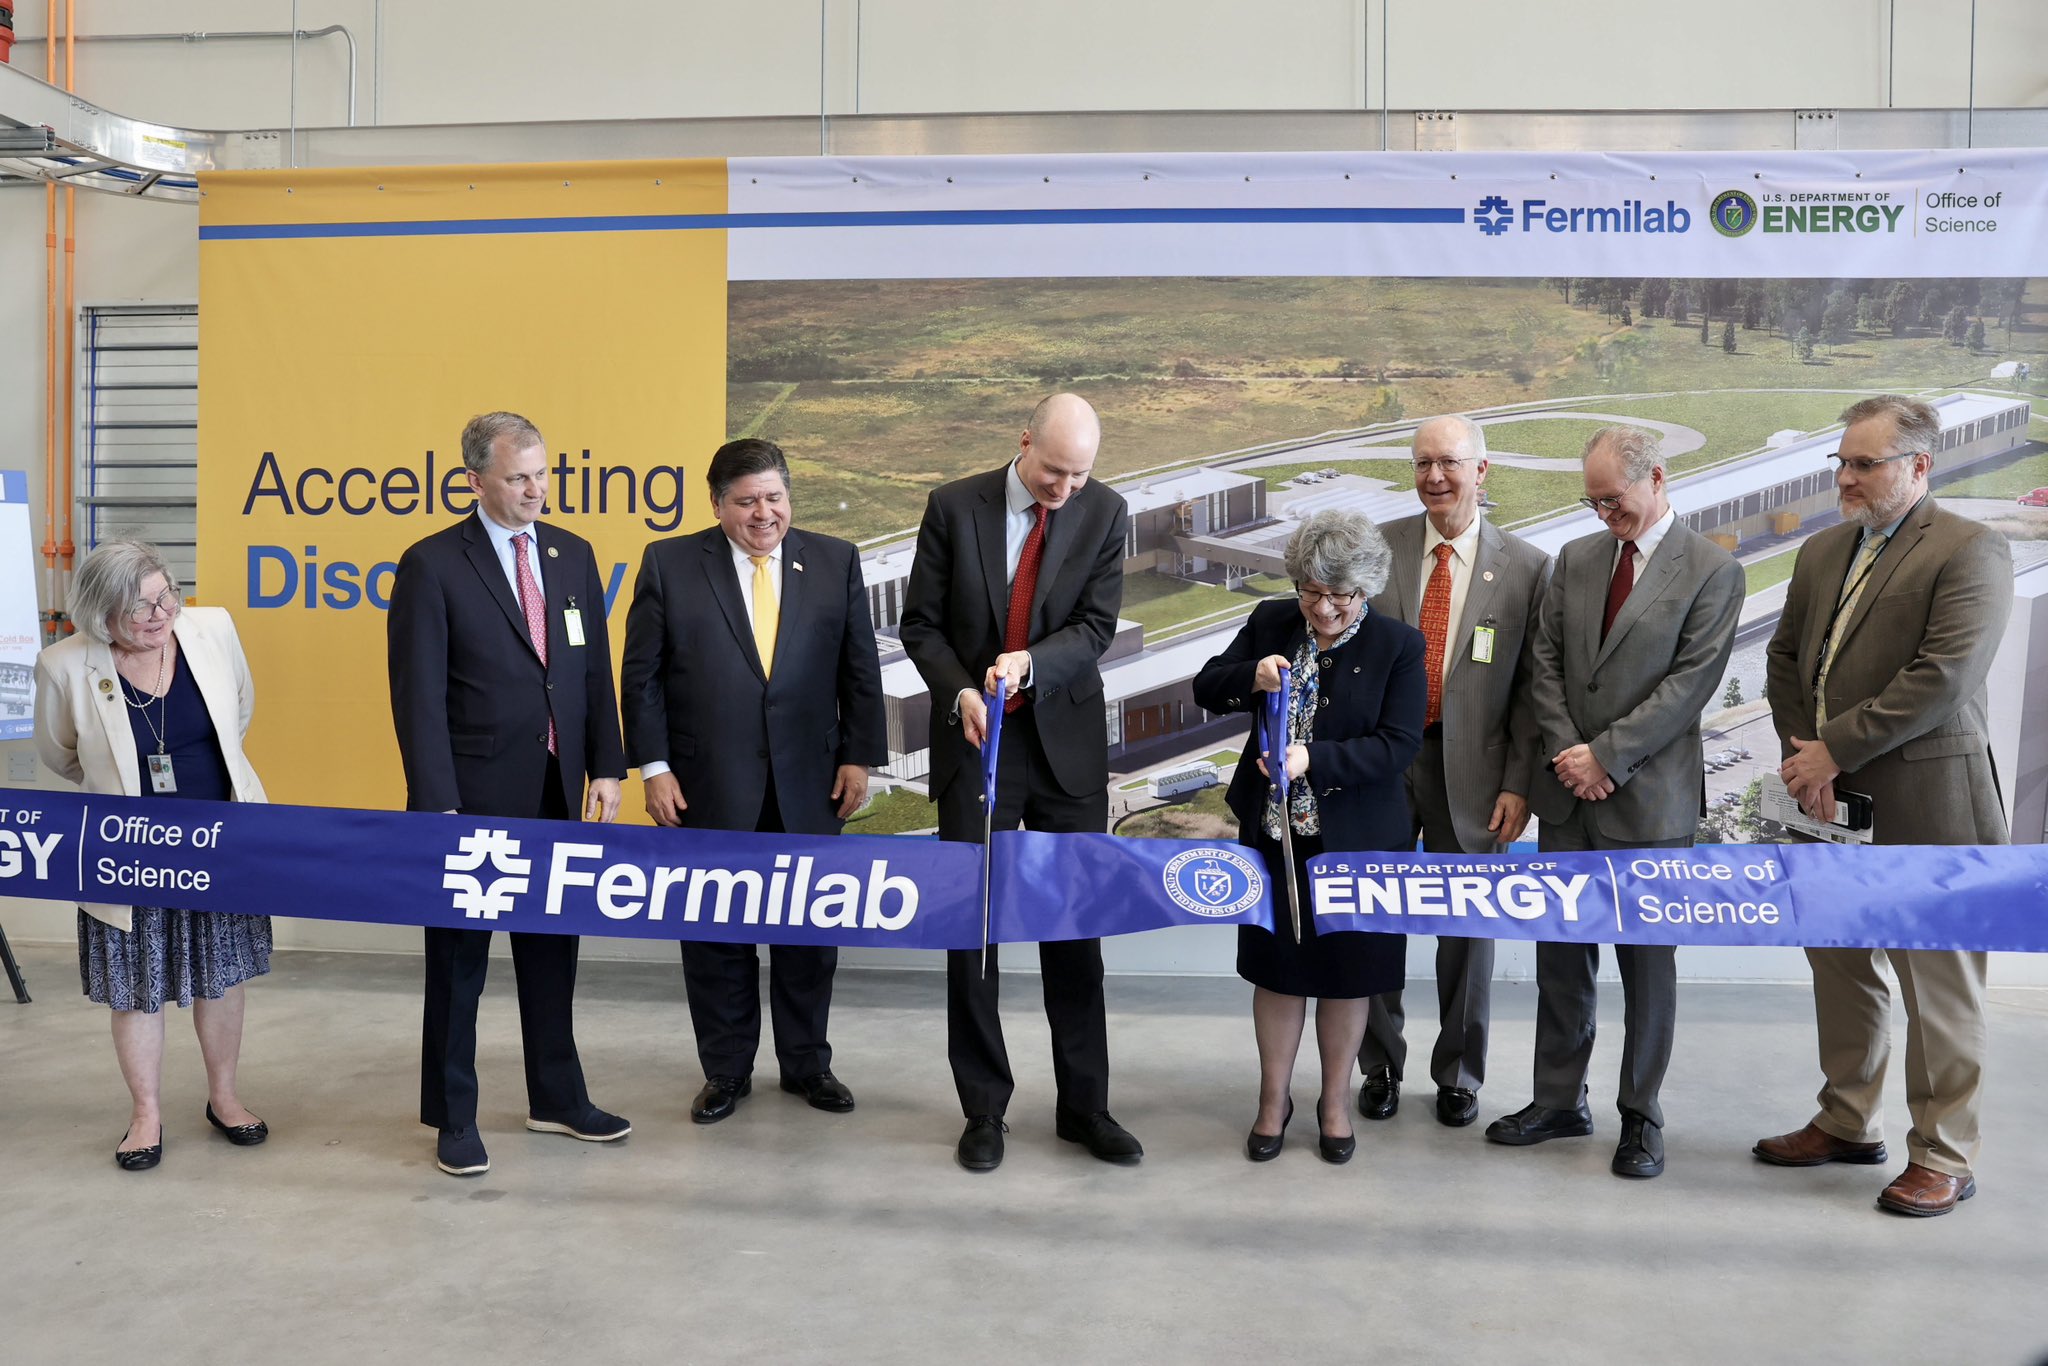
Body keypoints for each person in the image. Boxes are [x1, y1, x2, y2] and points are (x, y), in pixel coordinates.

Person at [1755, 395, 2012, 1217]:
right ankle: (1845, 1118)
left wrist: (1837, 749)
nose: (1847, 477)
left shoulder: (1972, 549)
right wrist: (1806, 757)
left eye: (1865, 464)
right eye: (1842, 461)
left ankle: (1944, 1153)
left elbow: (1943, 677)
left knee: (1938, 991)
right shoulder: (1826, 548)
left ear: (1919, 467)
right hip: (1824, 804)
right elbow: (1786, 654)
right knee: (1839, 965)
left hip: (1929, 808)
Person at [898, 392, 1138, 1172]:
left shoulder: (1106, 512)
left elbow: (1096, 628)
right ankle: (984, 1110)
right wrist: (962, 691)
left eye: (1079, 475)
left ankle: (1085, 1107)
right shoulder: (951, 505)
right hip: (978, 745)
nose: (1063, 489)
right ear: (1023, 441)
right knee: (976, 935)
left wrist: (1031, 664)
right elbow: (921, 626)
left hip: (1065, 752)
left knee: (1076, 932)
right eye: (1052, 471)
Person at [387, 410, 630, 1178]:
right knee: (460, 965)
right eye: (518, 477)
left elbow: (592, 673)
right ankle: (454, 1115)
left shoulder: (571, 554)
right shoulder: (433, 564)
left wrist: (607, 768)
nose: (536, 489)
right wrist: (437, 804)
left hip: (561, 789)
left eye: (542, 474)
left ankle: (556, 1097)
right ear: (475, 481)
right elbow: (417, 695)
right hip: (474, 799)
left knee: (553, 952)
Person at [1496, 425, 1742, 1179]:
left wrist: (1605, 756)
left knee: (1647, 972)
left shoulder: (1711, 571)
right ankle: (1559, 1099)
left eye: (1616, 500)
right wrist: (1574, 761)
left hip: (1650, 806)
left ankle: (1641, 1117)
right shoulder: (1574, 561)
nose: (1605, 515)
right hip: (1570, 801)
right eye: (1593, 501)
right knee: (1560, 962)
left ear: (1658, 479)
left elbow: (1687, 688)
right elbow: (1542, 665)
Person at [620, 438, 887, 1124]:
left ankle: (808, 1066)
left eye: (773, 497)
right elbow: (641, 677)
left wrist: (860, 756)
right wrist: (655, 767)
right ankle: (726, 1073)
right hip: (707, 786)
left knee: (808, 936)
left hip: (811, 785)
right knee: (715, 937)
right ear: (717, 506)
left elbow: (859, 670)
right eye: (745, 501)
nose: (762, 513)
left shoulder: (834, 560)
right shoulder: (670, 564)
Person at [33, 539, 273, 1171]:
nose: (161, 612)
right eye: (138, 606)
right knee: (135, 989)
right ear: (99, 611)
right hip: (125, 855)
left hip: (218, 844)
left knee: (221, 976)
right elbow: (61, 754)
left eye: (167, 593)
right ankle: (146, 1114)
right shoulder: (64, 664)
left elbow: (237, 712)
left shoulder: (212, 628)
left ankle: (224, 1098)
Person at [1194, 511, 1426, 1164]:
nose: (1323, 608)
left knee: (1348, 977)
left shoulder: (1398, 647)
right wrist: (1252, 677)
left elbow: (1398, 746)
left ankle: (1333, 1103)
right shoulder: (1272, 623)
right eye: (1311, 591)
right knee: (1279, 971)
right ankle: (1273, 1100)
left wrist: (1313, 760)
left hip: (1356, 843)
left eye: (1339, 596)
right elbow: (1206, 686)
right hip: (1274, 839)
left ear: (1367, 589)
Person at [1357, 415, 1551, 1129]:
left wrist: (1520, 782)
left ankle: (1460, 1075)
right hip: (1381, 764)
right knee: (1373, 913)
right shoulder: (1379, 552)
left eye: (1449, 463)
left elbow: (1535, 689)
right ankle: (1376, 1063)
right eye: (1422, 464)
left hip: (1476, 771)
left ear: (1481, 470)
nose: (1434, 477)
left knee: (1467, 929)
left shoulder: (1528, 567)